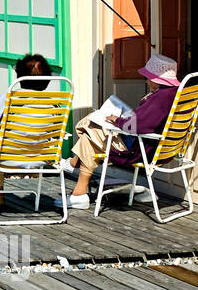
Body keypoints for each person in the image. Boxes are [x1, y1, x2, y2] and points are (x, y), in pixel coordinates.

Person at [61, 53, 182, 210]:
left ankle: (75, 173)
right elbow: (146, 120)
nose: (146, 80)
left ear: (155, 79)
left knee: (89, 129)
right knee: (90, 134)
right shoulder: (174, 93)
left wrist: (118, 121)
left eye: (148, 77)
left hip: (139, 147)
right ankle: (77, 187)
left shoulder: (160, 98)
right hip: (159, 145)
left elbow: (139, 126)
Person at [0, 54, 53, 200]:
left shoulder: (9, 99)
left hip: (6, 157)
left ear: (19, 77)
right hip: (41, 156)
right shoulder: (54, 103)